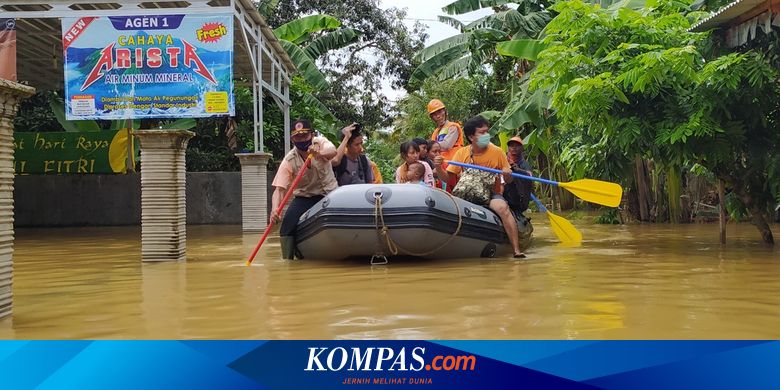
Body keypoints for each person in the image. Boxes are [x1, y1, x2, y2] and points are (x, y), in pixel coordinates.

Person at [433, 116, 526, 258]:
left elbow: (507, 180)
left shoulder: (497, 152)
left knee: (503, 208)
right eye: (482, 133)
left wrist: (508, 174)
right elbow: (448, 178)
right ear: (471, 137)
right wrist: (438, 167)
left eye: (487, 132)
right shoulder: (461, 153)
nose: (486, 135)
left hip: (490, 194)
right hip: (466, 193)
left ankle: (516, 249)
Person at [270, 119, 340, 260]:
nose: (301, 139)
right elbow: (279, 189)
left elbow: (332, 151)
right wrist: (274, 209)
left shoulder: (320, 142)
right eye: (297, 137)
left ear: (312, 135)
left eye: (305, 136)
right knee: (286, 228)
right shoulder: (289, 160)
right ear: (292, 139)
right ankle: (288, 261)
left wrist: (318, 153)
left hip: (330, 194)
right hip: (305, 197)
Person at [504, 136, 533, 215]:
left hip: (517, 194)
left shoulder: (524, 164)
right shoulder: (502, 158)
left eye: (517, 146)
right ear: (508, 148)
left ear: (521, 148)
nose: (514, 148)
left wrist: (516, 169)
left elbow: (529, 175)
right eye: (511, 146)